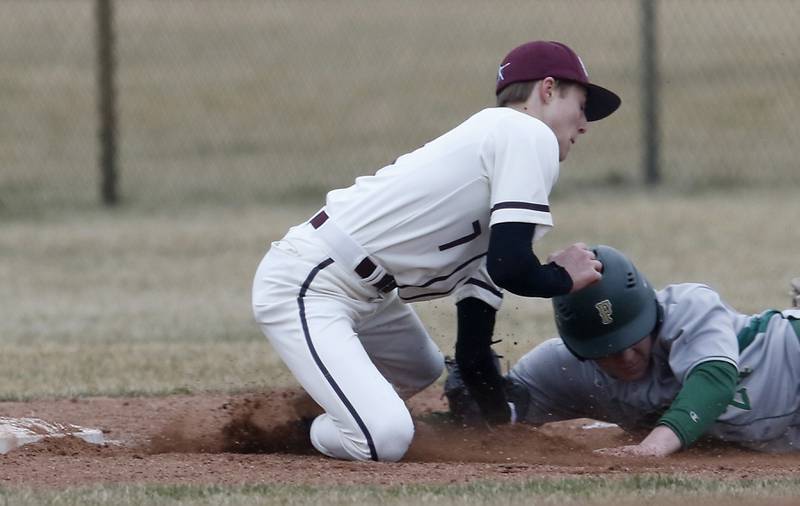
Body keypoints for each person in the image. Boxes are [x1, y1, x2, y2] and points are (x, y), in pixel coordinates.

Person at [252, 40, 621, 462]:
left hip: (364, 291)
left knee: (420, 368)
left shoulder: (500, 160)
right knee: (385, 439)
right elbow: (512, 268)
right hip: (310, 280)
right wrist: (562, 278)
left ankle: (342, 413)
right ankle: (298, 435)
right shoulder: (525, 133)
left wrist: (502, 429)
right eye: (583, 104)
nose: (585, 123)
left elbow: (473, 351)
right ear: (548, 90)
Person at [446, 245, 800, 455]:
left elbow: (715, 380)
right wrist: (475, 399)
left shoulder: (689, 306)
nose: (626, 357)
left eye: (633, 341)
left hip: (787, 355)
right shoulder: (564, 367)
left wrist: (653, 448)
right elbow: (504, 412)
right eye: (608, 350)